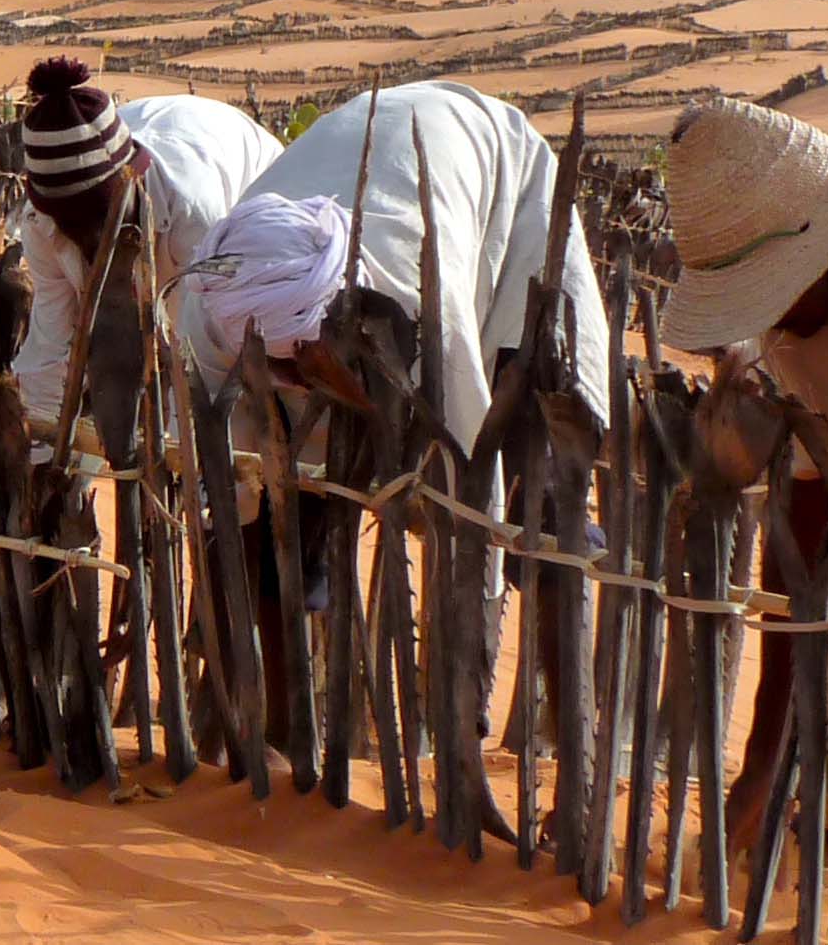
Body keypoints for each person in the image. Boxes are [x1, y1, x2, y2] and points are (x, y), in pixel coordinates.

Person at [182, 80, 612, 749]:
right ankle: (285, 729)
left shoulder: (419, 304)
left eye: (303, 366)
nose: (298, 384)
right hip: (377, 169)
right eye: (280, 373)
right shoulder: (214, 302)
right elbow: (237, 479)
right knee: (281, 514)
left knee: (548, 482)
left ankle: (560, 741)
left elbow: (474, 482)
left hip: (501, 183)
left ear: (341, 322)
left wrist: (473, 618)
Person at [659, 96, 828, 853]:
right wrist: (762, 760)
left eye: (776, 287)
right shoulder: (799, 341)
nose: (769, 321)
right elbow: (799, 560)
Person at [9, 57, 282, 426]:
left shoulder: (198, 212)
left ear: (131, 181)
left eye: (96, 215)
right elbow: (51, 337)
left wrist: (180, 450)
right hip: (156, 127)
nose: (88, 234)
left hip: (243, 165)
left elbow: (206, 349)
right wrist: (41, 439)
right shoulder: (42, 223)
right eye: (72, 220)